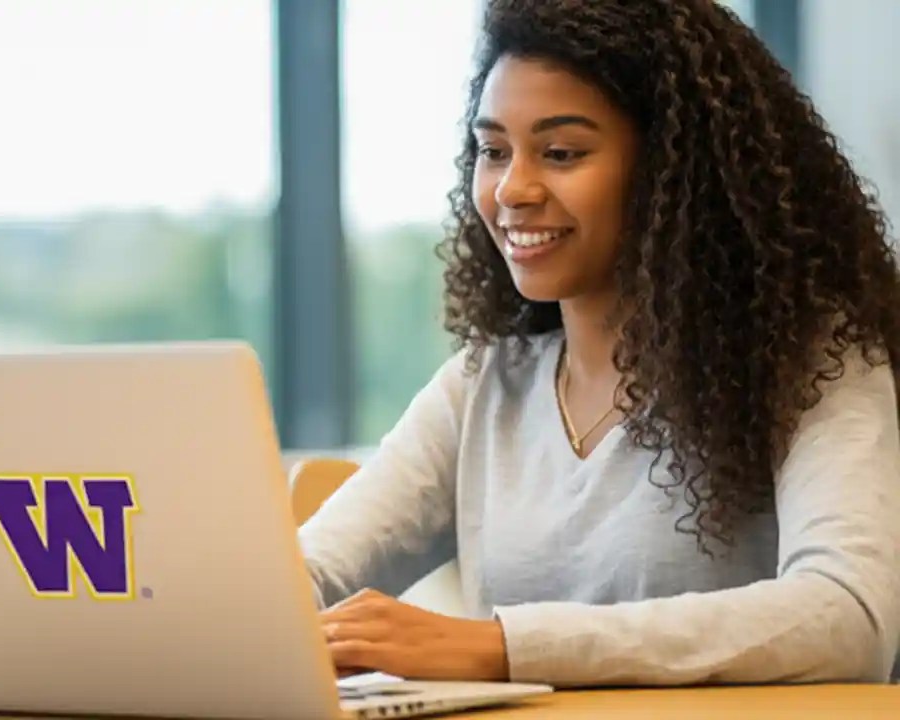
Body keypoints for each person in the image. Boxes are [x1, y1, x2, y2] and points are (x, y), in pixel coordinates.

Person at [300, 0, 900, 687]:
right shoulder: (484, 386)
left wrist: (501, 647)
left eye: (561, 153)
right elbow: (309, 573)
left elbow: (848, 615)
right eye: (494, 151)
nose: (513, 189)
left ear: (677, 170)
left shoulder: (815, 360)